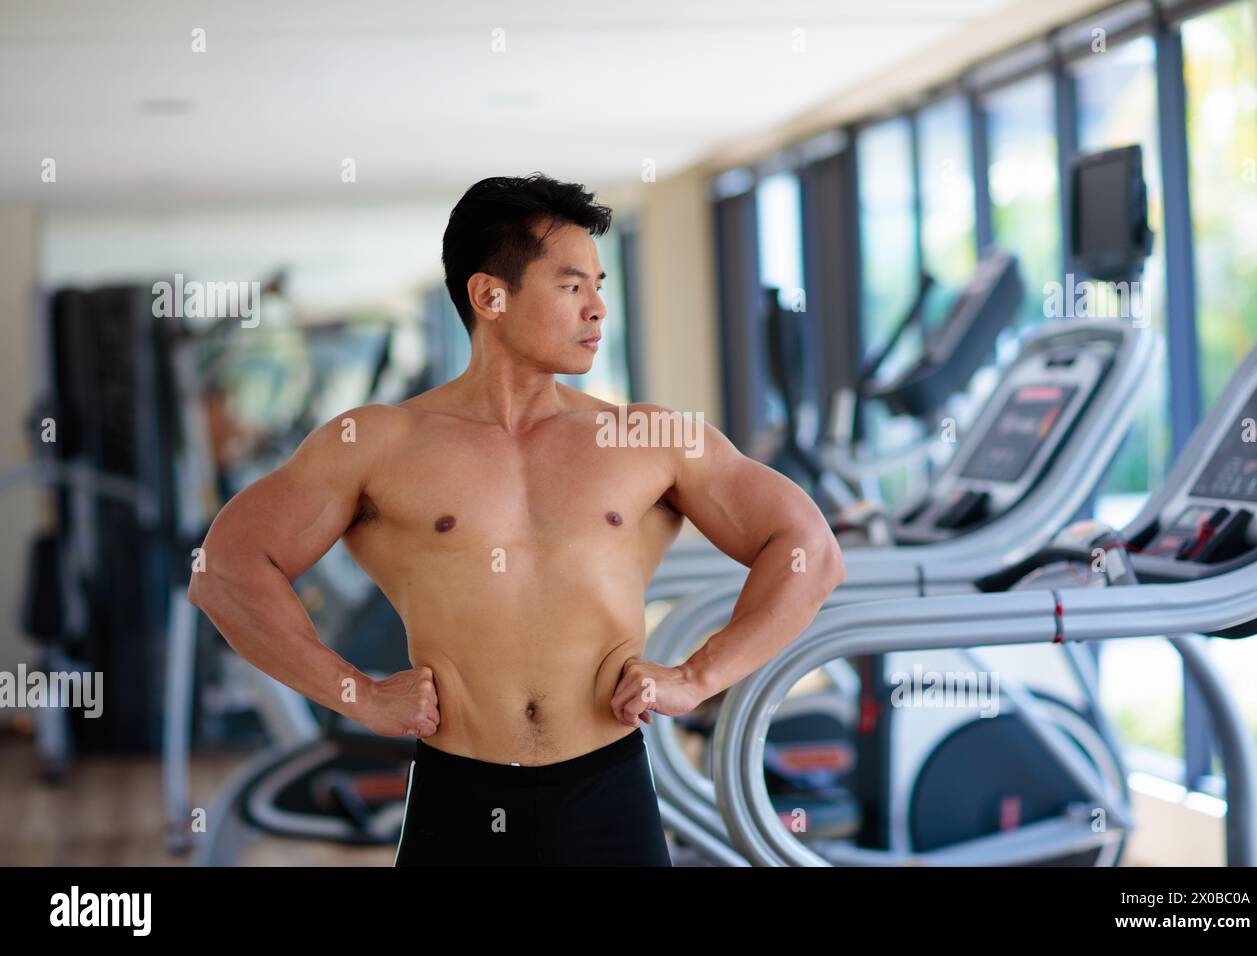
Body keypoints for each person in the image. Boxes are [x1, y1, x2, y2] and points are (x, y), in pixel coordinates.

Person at [187, 172, 847, 867]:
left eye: (600, 285)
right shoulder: (380, 443)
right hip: (458, 799)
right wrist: (358, 694)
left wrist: (697, 676)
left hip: (607, 793)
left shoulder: (650, 439)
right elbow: (225, 570)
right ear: (489, 295)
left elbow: (808, 550)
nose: (597, 309)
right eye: (571, 286)